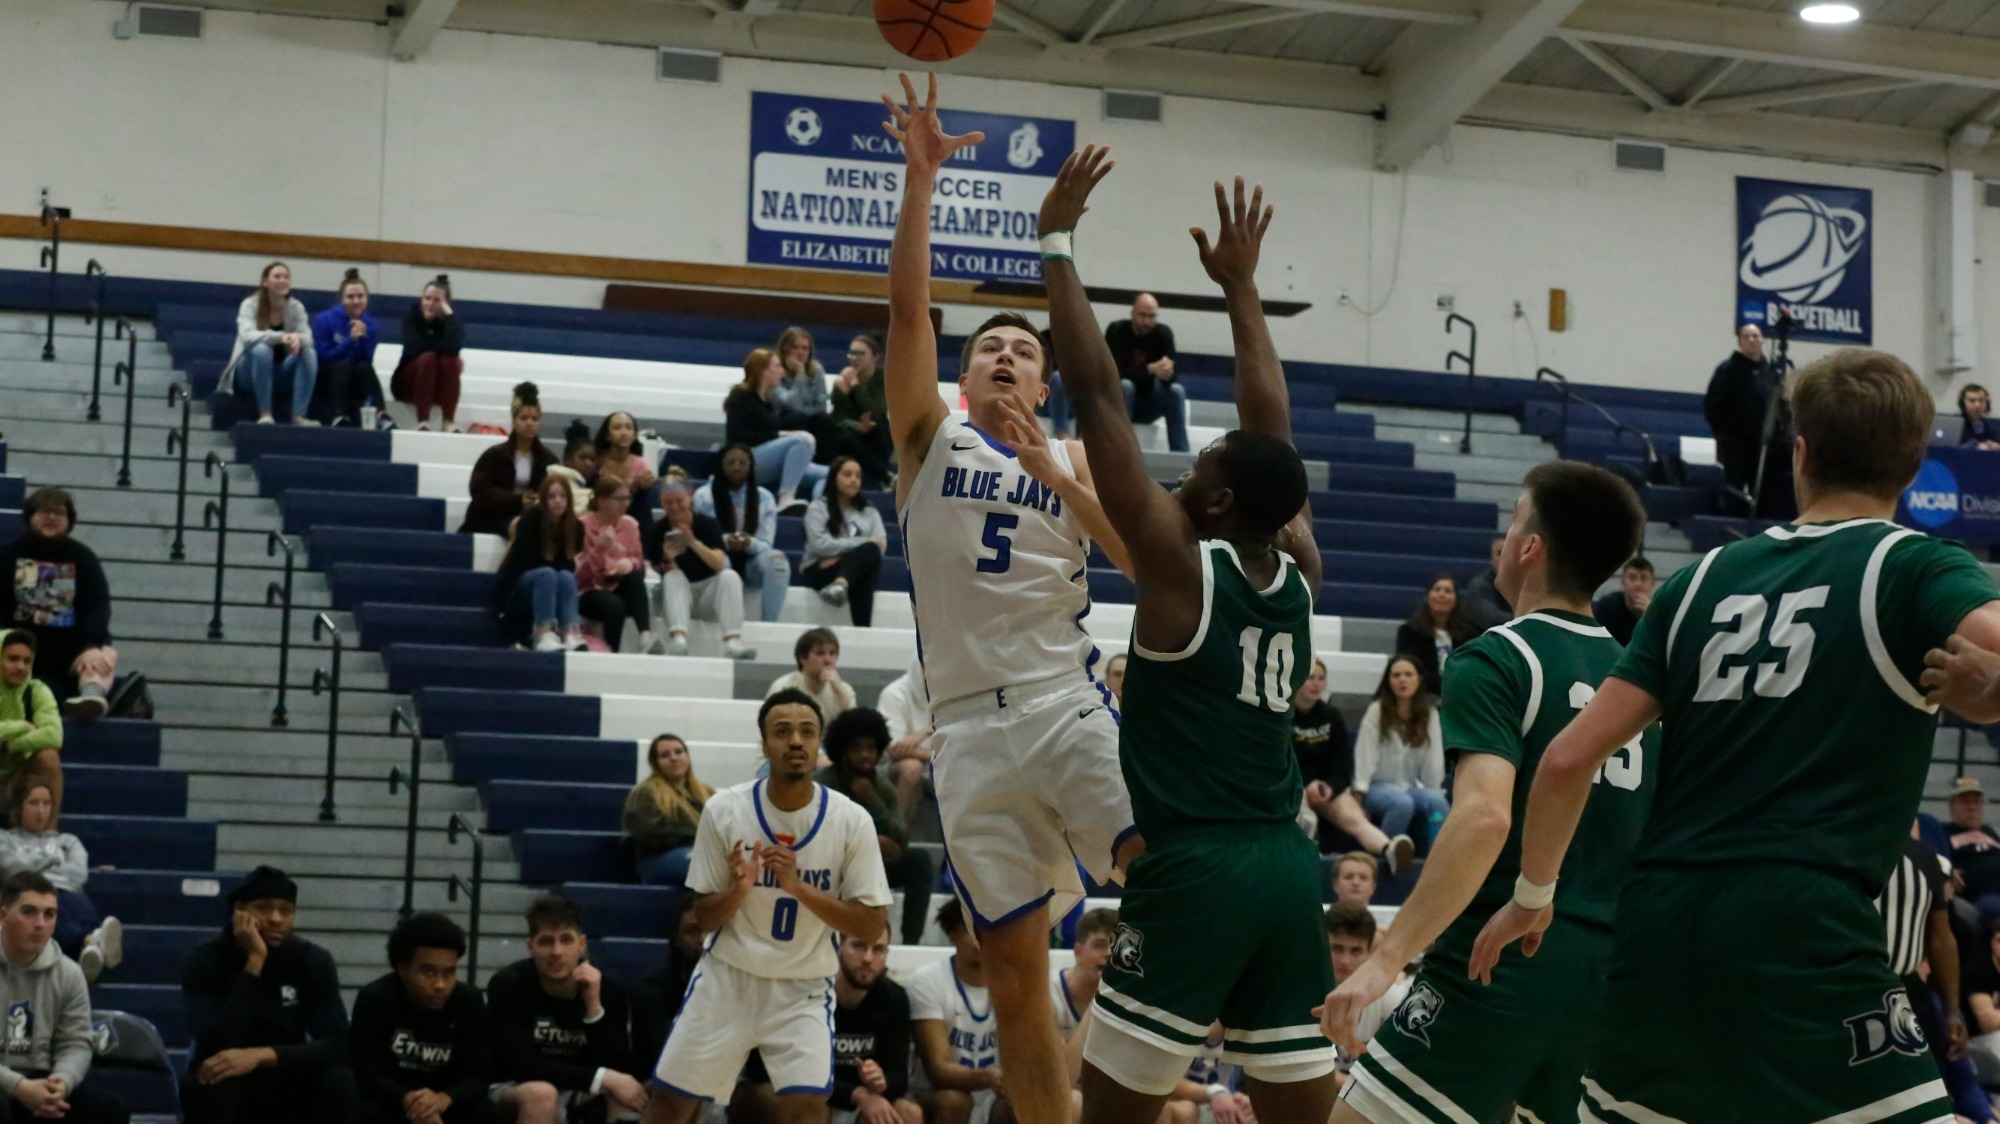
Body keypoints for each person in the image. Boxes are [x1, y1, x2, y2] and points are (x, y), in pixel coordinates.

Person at [1480, 347, 2000, 1122]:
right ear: (1915, 464)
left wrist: (1532, 897)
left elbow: (1565, 759)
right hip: (1801, 921)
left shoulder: (1697, 581)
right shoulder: (1914, 565)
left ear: (1801, 453)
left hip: (1657, 925)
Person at [1036, 158, 1339, 1122]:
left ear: (1216, 503)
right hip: (1288, 870)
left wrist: (1056, 244)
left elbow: (1096, 398)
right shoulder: (1298, 566)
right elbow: (1271, 431)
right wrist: (1241, 289)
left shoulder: (1178, 565)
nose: (1184, 471)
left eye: (1199, 465)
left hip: (1195, 869)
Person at [883, 77, 1138, 1124]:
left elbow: (1143, 561)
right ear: (964, 377)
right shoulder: (927, 439)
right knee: (1018, 989)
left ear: (1043, 384)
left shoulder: (1075, 454)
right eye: (989, 346)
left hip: (1063, 703)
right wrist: (921, 179)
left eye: (1024, 351)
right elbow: (907, 310)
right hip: (967, 736)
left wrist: (1059, 477)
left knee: (1164, 880)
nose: (1004, 354)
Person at [1322, 460, 1654, 1124]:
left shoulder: (1495, 656)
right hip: (1609, 972)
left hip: (1500, 953)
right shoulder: (1637, 681)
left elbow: (1483, 819)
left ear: (1530, 547)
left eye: (1514, 521)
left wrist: (1388, 957)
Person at [645, 689, 894, 1124]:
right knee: (669, 1105)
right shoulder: (724, 810)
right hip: (729, 977)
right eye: (782, 732)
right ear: (764, 745)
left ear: (818, 745)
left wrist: (797, 887)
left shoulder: (852, 820)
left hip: (803, 987)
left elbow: (872, 925)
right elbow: (703, 917)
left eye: (806, 732)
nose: (795, 740)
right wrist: (739, 889)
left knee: (806, 1108)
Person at [181, 865, 355, 1124]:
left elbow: (337, 1044)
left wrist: (260, 1055)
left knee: (339, 1081)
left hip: (285, 1072)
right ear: (239, 912)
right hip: (230, 1076)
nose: (276, 919)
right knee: (217, 1076)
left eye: (286, 910)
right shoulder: (205, 960)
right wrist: (255, 962)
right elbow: (215, 1042)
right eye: (263, 907)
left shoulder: (311, 960)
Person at [732, 929, 918, 1124]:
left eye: (878, 950)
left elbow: (899, 1077)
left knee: (908, 1114)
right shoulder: (801, 989)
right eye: (859, 947)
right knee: (809, 1106)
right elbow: (771, 1070)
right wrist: (855, 1093)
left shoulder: (894, 998)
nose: (868, 958)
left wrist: (881, 1082)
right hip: (783, 1093)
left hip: (854, 1099)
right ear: (837, 946)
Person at [486, 896, 645, 1124]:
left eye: (566, 940)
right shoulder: (508, 985)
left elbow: (617, 1065)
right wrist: (603, 1077)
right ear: (531, 947)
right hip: (516, 1087)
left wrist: (594, 1007)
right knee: (542, 1094)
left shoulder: (608, 989)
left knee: (626, 1095)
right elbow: (521, 1064)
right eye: (546, 942)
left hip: (578, 1088)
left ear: (582, 944)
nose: (556, 951)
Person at [1878, 832, 1991, 1123]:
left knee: (1927, 1093)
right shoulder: (1831, 845)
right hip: (1846, 990)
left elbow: (1941, 937)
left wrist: (1952, 1011)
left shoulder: (1922, 856)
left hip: (1908, 991)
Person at [0, 872, 130, 1124]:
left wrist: (62, 1083)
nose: (40, 923)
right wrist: (18, 1086)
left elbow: (76, 1041)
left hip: (42, 1079)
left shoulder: (69, 973)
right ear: (3, 917)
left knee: (108, 1109)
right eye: (29, 912)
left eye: (49, 914)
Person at [350, 912, 493, 1124]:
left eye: (449, 973)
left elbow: (478, 1076)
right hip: (392, 1102)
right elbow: (367, 1072)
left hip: (447, 1103)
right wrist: (409, 1100)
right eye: (429, 973)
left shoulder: (469, 1002)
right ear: (403, 969)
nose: (440, 985)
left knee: (486, 1113)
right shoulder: (375, 999)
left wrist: (443, 1100)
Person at [816, 708, 932, 945]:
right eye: (857, 748)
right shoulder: (822, 784)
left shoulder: (881, 786)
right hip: (831, 868)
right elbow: (815, 835)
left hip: (872, 867)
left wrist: (873, 800)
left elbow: (900, 838)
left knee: (919, 862)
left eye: (871, 748)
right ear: (843, 750)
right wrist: (867, 843)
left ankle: (911, 943)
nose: (865, 755)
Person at [3, 487, 118, 718]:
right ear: (30, 516)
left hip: (69, 651)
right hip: (18, 647)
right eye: (45, 512)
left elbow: (97, 606)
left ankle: (90, 697)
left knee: (106, 652)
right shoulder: (7, 555)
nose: (52, 518)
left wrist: (91, 646)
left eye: (59, 513)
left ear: (69, 520)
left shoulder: (84, 557)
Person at [1293, 657, 1413, 874]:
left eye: (1321, 678)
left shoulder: (1332, 716)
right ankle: (1305, 860)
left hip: (1326, 789)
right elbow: (1281, 762)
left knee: (1353, 817)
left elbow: (1342, 765)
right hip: (1293, 786)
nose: (1316, 684)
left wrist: (1330, 787)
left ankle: (1388, 848)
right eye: (1310, 678)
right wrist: (1303, 786)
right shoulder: (1282, 715)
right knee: (1301, 810)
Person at [0, 782, 119, 981]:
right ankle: (92, 942)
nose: (41, 811)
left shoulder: (67, 841)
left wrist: (37, 870)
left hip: (69, 897)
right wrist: (53, 860)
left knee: (70, 900)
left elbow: (79, 873)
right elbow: (12, 870)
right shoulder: (5, 839)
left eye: (46, 804)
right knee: (45, 904)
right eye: (34, 803)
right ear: (20, 807)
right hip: (27, 899)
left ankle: (89, 946)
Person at [907, 899, 1008, 1124]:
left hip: (993, 1098)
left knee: (1023, 1101)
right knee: (954, 1101)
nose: (982, 939)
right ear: (952, 935)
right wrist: (989, 1077)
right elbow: (938, 1071)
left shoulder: (1012, 984)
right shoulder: (927, 981)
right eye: (973, 931)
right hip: (935, 1095)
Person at [1352, 656, 1448, 851]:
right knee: (1402, 804)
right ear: (1388, 680)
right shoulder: (1376, 711)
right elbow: (1365, 754)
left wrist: (1433, 789)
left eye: (1408, 674)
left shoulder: (1430, 714)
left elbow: (1434, 758)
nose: (1402, 680)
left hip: (1409, 787)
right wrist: (1359, 795)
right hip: (1376, 789)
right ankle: (1385, 853)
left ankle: (1436, 858)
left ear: (1419, 679)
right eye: (1396, 675)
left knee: (1437, 803)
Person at [648, 483, 755, 659]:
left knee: (729, 576)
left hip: (708, 594)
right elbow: (661, 570)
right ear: (661, 503)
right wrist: (668, 558)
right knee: (673, 576)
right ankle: (679, 639)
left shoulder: (708, 524)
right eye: (668, 502)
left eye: (679, 501)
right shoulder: (657, 530)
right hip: (679, 596)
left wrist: (693, 543)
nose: (674, 507)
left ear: (690, 498)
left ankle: (733, 642)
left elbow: (719, 564)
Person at [693, 445, 793, 624]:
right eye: (731, 463)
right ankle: (726, 623)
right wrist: (726, 541)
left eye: (742, 463)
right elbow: (702, 540)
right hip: (717, 556)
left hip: (752, 560)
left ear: (751, 467)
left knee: (778, 562)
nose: (737, 468)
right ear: (721, 465)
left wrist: (749, 543)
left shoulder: (765, 497)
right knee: (723, 563)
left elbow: (766, 543)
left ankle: (769, 624)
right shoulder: (703, 496)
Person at [1703, 321, 1793, 517]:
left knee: (1764, 492)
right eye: (1747, 336)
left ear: (1762, 340)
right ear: (1740, 342)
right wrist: (1724, 433)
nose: (1752, 340)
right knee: (1734, 488)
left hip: (1765, 445)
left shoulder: (1772, 373)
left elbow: (1782, 407)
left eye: (1756, 336)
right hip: (1736, 443)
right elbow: (1713, 405)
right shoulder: (1727, 370)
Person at [491, 477, 583, 653]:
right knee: (547, 574)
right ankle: (543, 633)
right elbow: (530, 561)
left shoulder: (576, 526)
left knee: (566, 577)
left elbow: (567, 567)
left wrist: (568, 566)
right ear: (543, 500)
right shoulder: (530, 519)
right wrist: (569, 564)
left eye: (562, 496)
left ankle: (570, 631)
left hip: (549, 583)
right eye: (552, 496)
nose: (558, 501)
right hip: (516, 586)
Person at [724, 351, 824, 509]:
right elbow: (737, 436)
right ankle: (786, 497)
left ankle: (818, 509)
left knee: (832, 474)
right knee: (803, 440)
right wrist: (778, 435)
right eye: (777, 366)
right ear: (763, 371)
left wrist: (779, 435)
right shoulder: (742, 395)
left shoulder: (768, 402)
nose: (782, 372)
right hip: (746, 459)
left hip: (768, 460)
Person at [222, 261, 318, 426]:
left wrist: (297, 338)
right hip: (248, 374)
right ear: (265, 281)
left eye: (286, 277)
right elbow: (247, 336)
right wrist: (281, 337)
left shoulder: (296, 307)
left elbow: (308, 337)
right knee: (262, 350)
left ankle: (299, 416)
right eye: (277, 276)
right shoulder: (250, 304)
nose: (282, 280)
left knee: (309, 352)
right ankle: (265, 413)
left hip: (281, 372)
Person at [1320, 904, 1406, 1086]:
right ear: (1323, 946)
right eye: (1337, 948)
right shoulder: (1304, 992)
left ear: (1369, 952)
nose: (1345, 960)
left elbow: (1400, 1069)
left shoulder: (1390, 997)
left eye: (1356, 951)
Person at [800, 459, 887, 628]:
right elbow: (820, 545)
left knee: (870, 556)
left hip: (843, 567)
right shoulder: (818, 508)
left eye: (858, 476)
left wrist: (844, 556)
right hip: (820, 569)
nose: (853, 480)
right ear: (834, 478)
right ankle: (863, 629)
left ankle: (840, 585)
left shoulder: (869, 511)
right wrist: (862, 543)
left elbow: (880, 545)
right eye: (847, 475)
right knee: (866, 560)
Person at [461, 384, 555, 537]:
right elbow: (480, 491)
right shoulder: (494, 455)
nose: (529, 423)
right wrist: (518, 499)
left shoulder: (548, 459)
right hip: (492, 516)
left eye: (534, 419)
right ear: (514, 421)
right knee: (523, 527)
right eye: (523, 418)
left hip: (531, 517)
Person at [622, 734, 713, 887]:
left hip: (700, 853)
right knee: (707, 867)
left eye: (679, 752)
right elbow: (649, 833)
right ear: (655, 763)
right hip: (658, 859)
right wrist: (697, 837)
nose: (674, 758)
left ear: (687, 756)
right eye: (665, 755)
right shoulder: (644, 793)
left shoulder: (707, 793)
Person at [1103, 293, 1187, 453]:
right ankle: (1120, 448)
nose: (1147, 321)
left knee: (1176, 391)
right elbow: (1112, 375)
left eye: (1152, 316)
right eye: (1142, 315)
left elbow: (1172, 379)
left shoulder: (1163, 334)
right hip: (1118, 404)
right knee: (1125, 386)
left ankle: (1180, 452)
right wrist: (1150, 370)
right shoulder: (1117, 331)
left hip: (1149, 403)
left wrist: (1167, 372)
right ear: (1132, 313)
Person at [576, 479, 653, 653]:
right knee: (615, 605)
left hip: (617, 582)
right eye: (619, 499)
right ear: (602, 501)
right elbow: (581, 575)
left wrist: (631, 563)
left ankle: (645, 637)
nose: (625, 504)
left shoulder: (630, 525)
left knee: (635, 577)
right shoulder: (582, 526)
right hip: (589, 588)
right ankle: (612, 652)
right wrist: (599, 550)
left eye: (627, 498)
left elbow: (639, 561)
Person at [311, 269, 386, 428]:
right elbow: (323, 356)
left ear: (367, 298)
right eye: (351, 297)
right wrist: (350, 340)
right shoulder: (324, 319)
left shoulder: (371, 325)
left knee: (364, 367)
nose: (356, 301)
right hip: (328, 376)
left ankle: (382, 413)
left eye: (360, 296)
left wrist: (363, 338)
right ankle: (338, 414)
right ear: (342, 299)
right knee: (343, 365)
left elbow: (367, 358)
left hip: (355, 377)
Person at [397, 275, 465, 433]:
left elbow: (454, 347)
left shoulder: (451, 322)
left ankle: (448, 421)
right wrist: (441, 348)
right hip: (408, 384)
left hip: (436, 386)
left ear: (446, 304)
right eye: (427, 298)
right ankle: (422, 421)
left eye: (437, 300)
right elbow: (415, 348)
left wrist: (450, 317)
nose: (430, 304)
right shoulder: (412, 318)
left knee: (451, 361)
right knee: (429, 358)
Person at [0, 634, 61, 807]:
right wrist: (22, 726)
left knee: (48, 757)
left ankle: (48, 825)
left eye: (26, 661)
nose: (20, 667)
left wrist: (9, 746)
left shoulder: (37, 691)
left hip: (18, 777)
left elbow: (54, 735)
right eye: (13, 659)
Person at [831, 334, 896, 489]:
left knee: (881, 427)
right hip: (853, 433)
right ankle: (886, 477)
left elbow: (875, 411)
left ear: (875, 356)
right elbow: (839, 418)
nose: (855, 358)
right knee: (843, 439)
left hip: (875, 430)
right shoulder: (840, 382)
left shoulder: (884, 377)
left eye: (860, 354)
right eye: (852, 353)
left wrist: (854, 386)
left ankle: (882, 478)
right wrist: (857, 426)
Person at [1392, 576, 1475, 694]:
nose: (1442, 594)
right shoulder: (1409, 632)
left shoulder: (1469, 633)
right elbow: (1411, 669)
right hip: (1423, 695)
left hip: (1459, 694)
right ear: (1427, 597)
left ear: (1456, 599)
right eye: (1437, 590)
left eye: (1447, 591)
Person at [873, 660, 932, 824]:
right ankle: (896, 832)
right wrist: (934, 752)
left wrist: (923, 734)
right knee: (911, 767)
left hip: (939, 763)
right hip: (891, 765)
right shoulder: (894, 694)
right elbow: (894, 750)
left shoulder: (952, 695)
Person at [593, 412, 659, 542]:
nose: (624, 433)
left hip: (634, 517)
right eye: (617, 428)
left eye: (628, 428)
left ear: (634, 435)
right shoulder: (597, 463)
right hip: (602, 518)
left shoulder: (641, 464)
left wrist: (644, 486)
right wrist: (631, 485)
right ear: (607, 435)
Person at [766, 627, 855, 722]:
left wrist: (839, 692)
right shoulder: (782, 687)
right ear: (802, 659)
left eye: (832, 653)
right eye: (820, 653)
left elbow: (852, 728)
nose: (828, 660)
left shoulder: (845, 691)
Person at [1947, 777, 2000, 926]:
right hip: (1979, 895)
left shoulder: (1989, 831)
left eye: (1976, 802)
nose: (1972, 808)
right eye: (1965, 802)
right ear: (1952, 806)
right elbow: (1933, 859)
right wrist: (1948, 870)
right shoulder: (1944, 832)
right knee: (1992, 907)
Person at [1591, 555, 1655, 647]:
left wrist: (1649, 616)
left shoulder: (1659, 612)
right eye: (1632, 578)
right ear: (1623, 582)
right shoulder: (1608, 606)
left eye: (1643, 578)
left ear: (1652, 584)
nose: (1638, 584)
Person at [772, 327, 831, 418]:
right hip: (786, 418)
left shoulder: (816, 369)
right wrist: (800, 374)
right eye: (795, 347)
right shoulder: (775, 370)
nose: (800, 353)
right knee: (794, 417)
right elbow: (791, 404)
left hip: (811, 418)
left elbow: (821, 406)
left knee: (824, 418)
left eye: (805, 348)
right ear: (785, 350)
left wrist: (804, 413)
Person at [1459, 536, 1513, 633]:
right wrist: (1525, 619)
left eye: (1509, 553)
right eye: (1499, 553)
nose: (1504, 558)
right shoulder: (1479, 586)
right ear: (1492, 558)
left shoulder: (1528, 584)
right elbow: (1492, 620)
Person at [547, 422, 597, 516]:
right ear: (567, 459)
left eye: (592, 459)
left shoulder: (587, 484)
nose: (588, 463)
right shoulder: (555, 480)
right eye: (582, 458)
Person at [1961, 385, 2000, 450]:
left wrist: (1997, 447)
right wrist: (1975, 446)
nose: (1977, 405)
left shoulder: (1993, 426)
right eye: (1972, 401)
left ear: (1987, 404)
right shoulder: (1955, 424)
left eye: (1981, 400)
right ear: (1962, 404)